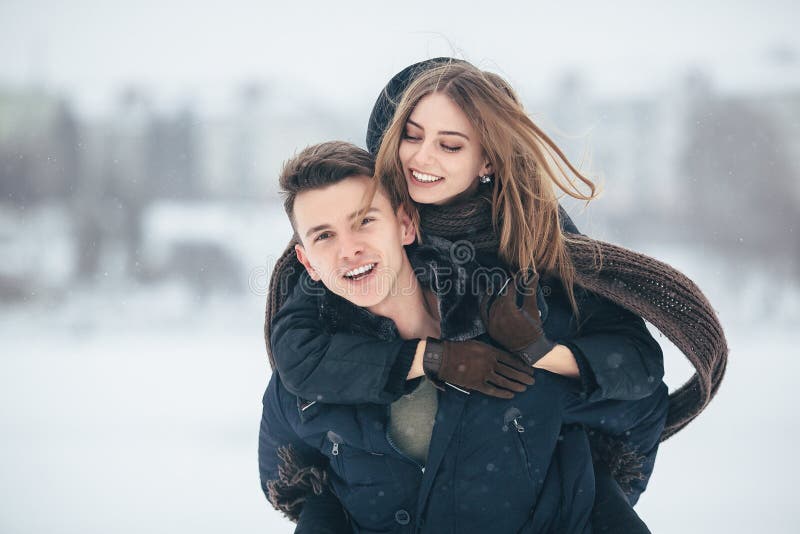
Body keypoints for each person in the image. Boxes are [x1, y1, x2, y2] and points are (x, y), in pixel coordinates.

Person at [263, 59, 677, 531]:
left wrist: (543, 356)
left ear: (487, 160)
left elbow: (639, 393)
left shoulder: (530, 262)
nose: (422, 159)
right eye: (412, 137)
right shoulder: (326, 323)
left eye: (450, 144)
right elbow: (292, 461)